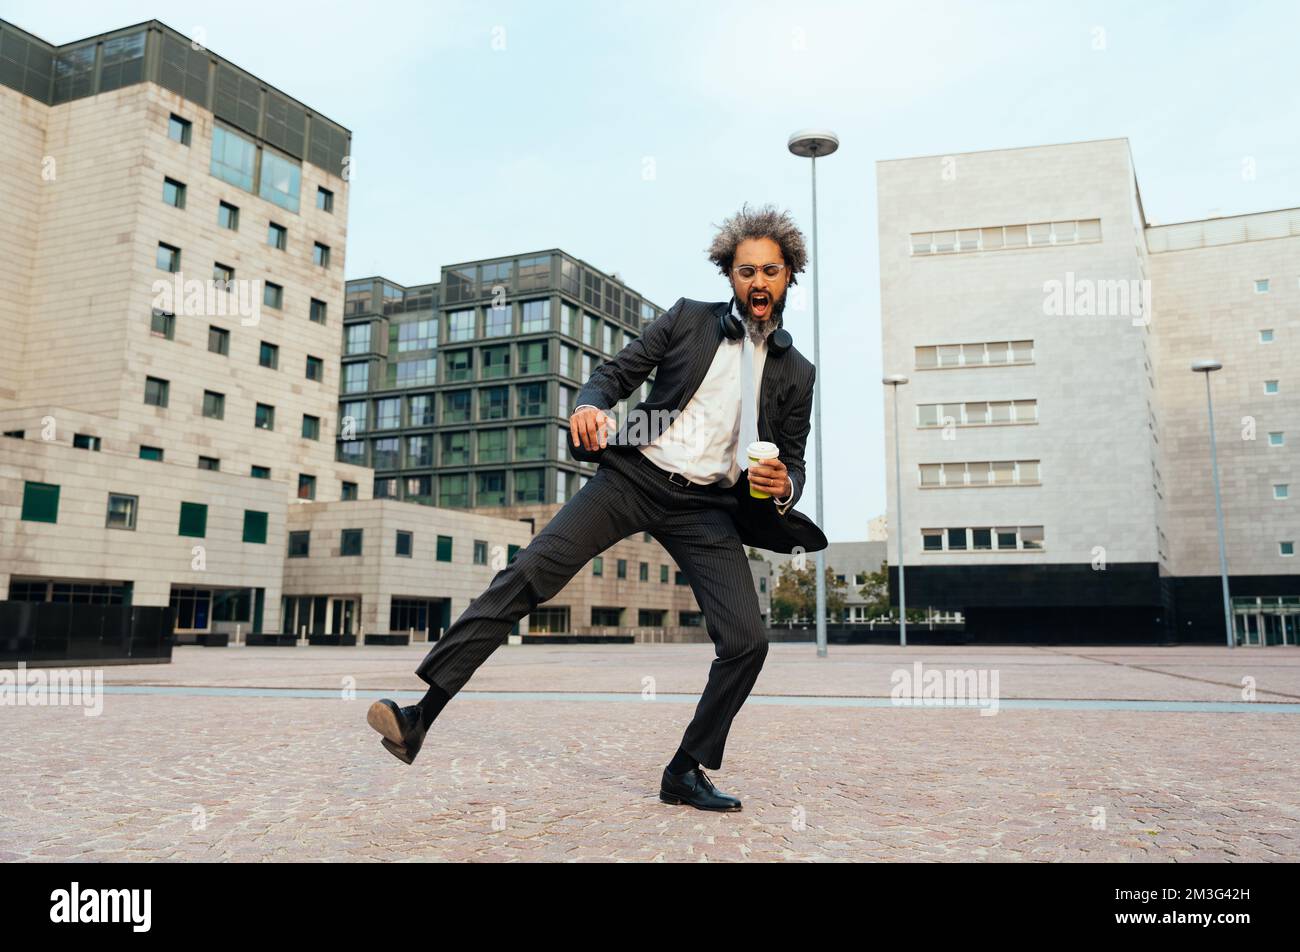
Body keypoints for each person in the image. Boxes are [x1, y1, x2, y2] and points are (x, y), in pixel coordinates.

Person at [366, 203, 826, 811]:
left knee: (747, 642)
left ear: (790, 274)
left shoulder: (797, 372)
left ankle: (684, 771)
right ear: (731, 276)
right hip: (633, 476)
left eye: (770, 270)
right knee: (529, 573)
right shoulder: (689, 319)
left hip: (709, 508)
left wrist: (781, 483)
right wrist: (589, 405)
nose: (758, 282)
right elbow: (615, 373)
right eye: (746, 271)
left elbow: (792, 462)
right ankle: (421, 714)